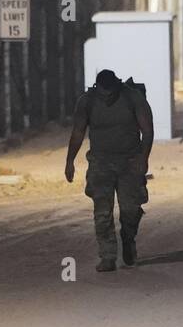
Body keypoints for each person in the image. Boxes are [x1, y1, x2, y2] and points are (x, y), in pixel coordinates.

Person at [64, 69, 155, 272]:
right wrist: (70, 161)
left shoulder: (132, 97)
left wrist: (143, 157)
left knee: (130, 210)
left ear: (117, 86)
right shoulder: (87, 101)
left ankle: (128, 239)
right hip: (100, 163)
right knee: (102, 212)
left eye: (111, 94)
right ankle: (107, 255)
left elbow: (147, 130)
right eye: (103, 94)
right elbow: (78, 132)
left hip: (129, 162)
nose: (107, 98)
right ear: (97, 89)